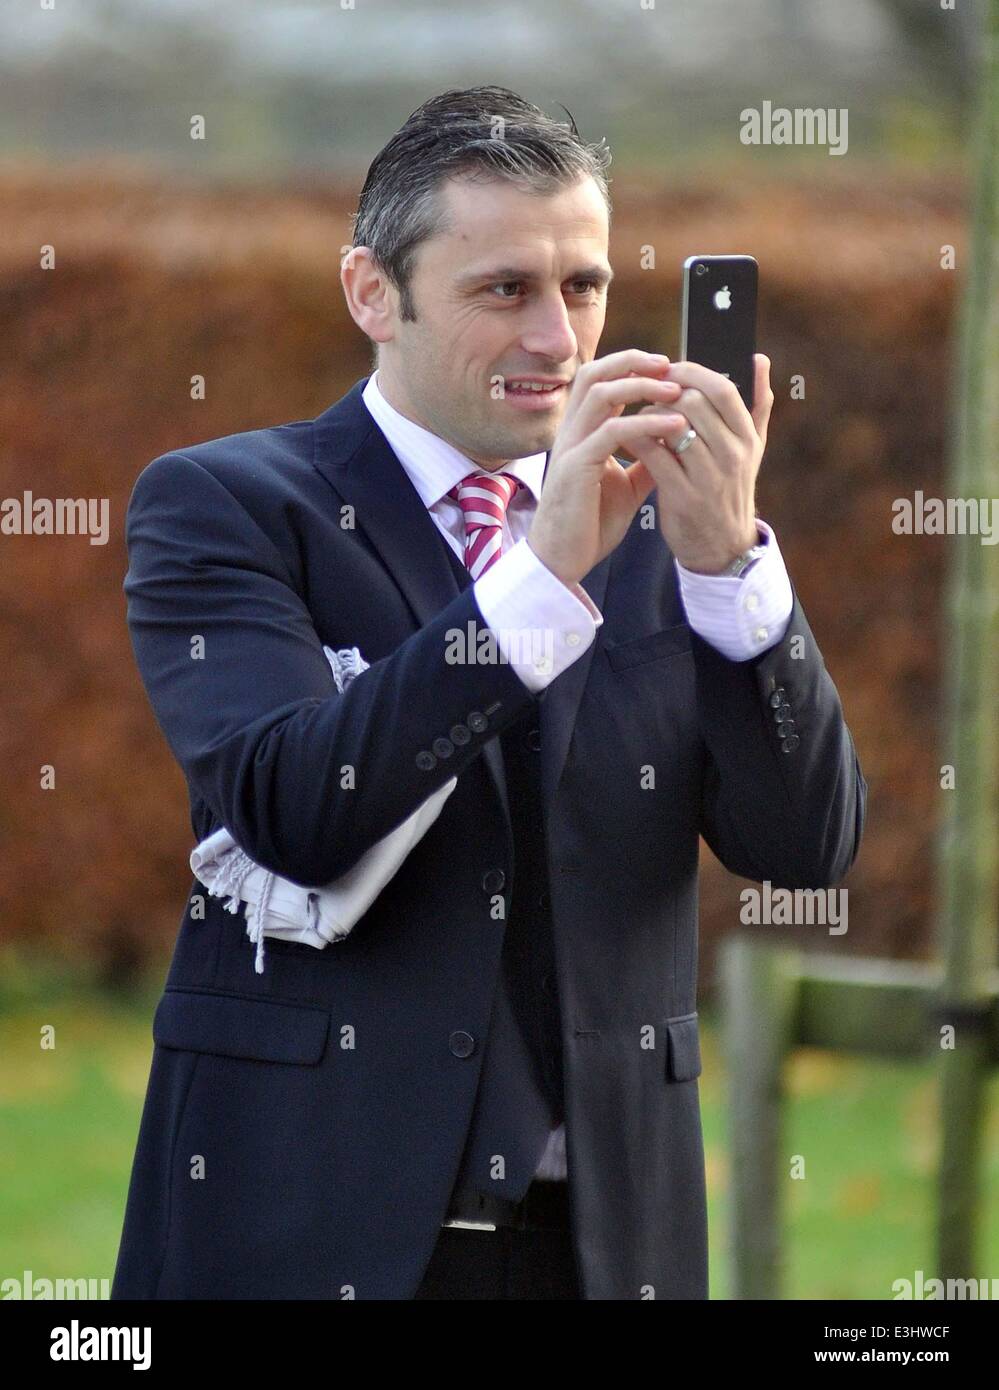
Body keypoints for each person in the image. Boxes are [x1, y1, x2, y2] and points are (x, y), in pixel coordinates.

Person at [111, 85, 866, 1301]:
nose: (559, 341)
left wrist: (732, 567)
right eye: (504, 289)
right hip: (307, 1228)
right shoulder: (228, 505)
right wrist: (540, 572)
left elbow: (805, 844)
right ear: (373, 292)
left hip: (607, 1242)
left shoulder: (673, 531)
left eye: (583, 286)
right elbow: (296, 809)